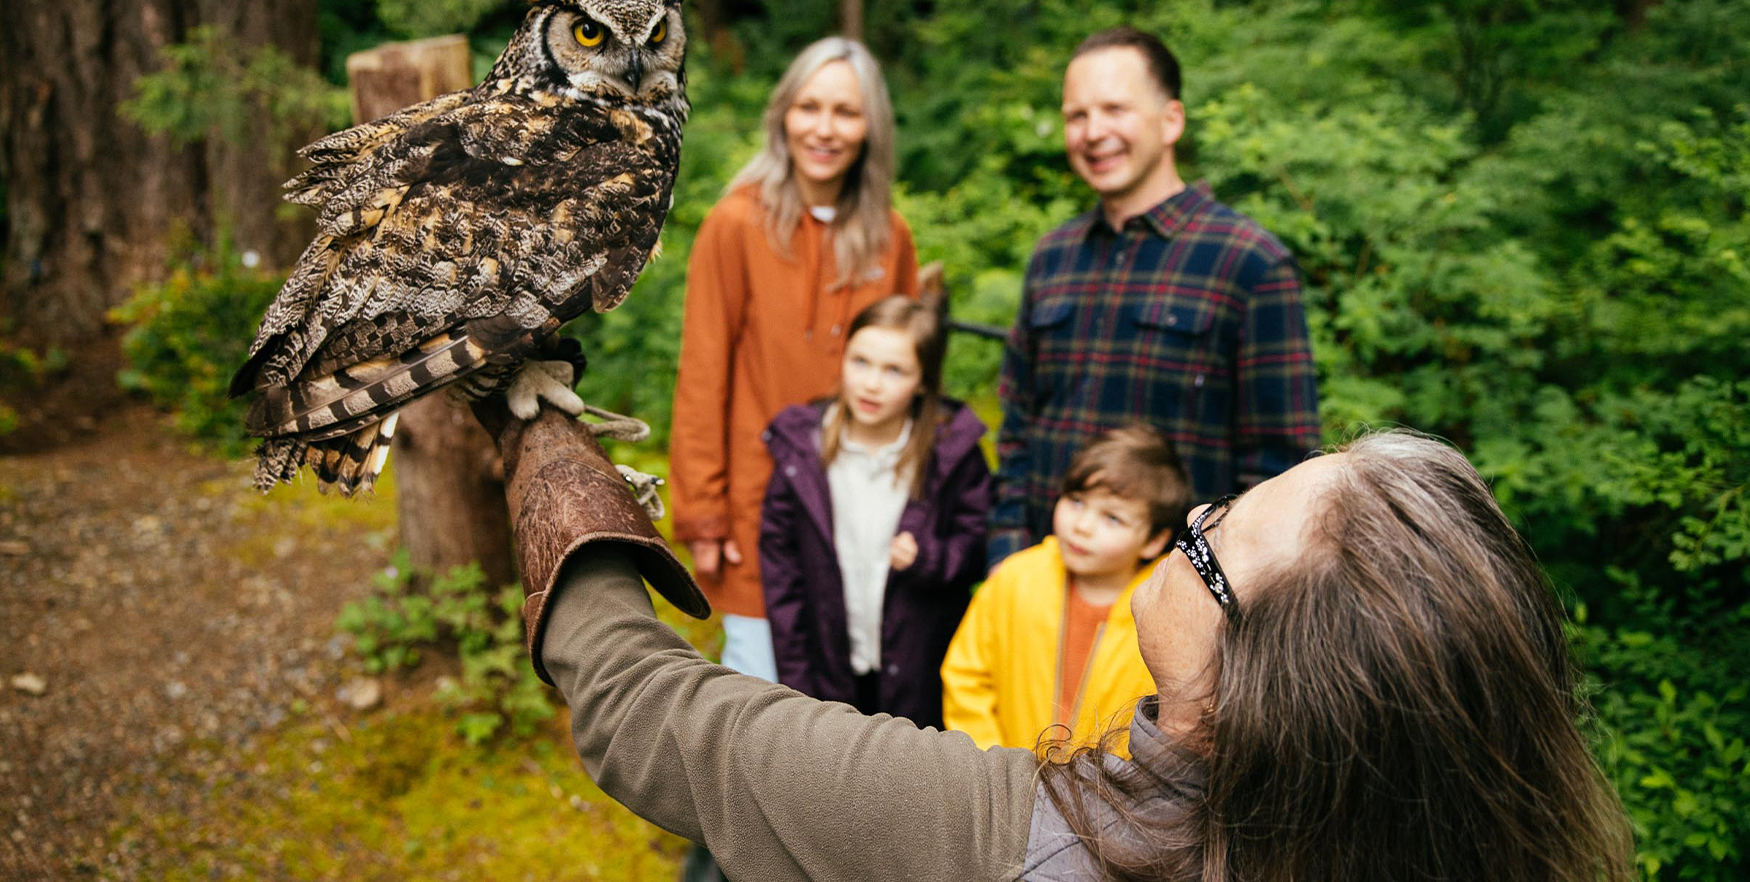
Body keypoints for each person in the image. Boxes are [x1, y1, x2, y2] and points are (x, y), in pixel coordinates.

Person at [490, 407, 1633, 882]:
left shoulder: (1012, 838)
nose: (1193, 517)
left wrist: (540, 441)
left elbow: (651, 714)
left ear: (1257, 690)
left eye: (1217, 540)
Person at [990, 26, 1321, 566]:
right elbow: (1017, 430)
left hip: (1176, 609)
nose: (1093, 132)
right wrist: (1005, 563)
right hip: (1042, 600)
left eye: (1115, 109)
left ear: (1171, 120)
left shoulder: (1248, 262)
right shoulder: (1053, 257)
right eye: (1077, 115)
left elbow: (1279, 473)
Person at [669, 36, 920, 684]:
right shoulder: (737, 223)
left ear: (871, 128)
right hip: (761, 507)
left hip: (867, 512)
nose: (825, 129)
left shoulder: (889, 236)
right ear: (784, 114)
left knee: (851, 702)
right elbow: (703, 371)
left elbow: (911, 376)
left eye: (846, 112)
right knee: (761, 697)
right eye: (810, 107)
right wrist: (703, 509)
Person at [759, 290, 989, 728]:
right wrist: (796, 683)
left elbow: (977, 543)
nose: (871, 383)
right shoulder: (799, 452)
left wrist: (929, 558)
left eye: (895, 370)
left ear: (923, 381)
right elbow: (782, 576)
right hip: (828, 668)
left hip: (919, 671)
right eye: (860, 362)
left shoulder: (950, 454)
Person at [941, 425, 1188, 751]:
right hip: (1009, 786)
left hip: (1112, 796)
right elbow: (966, 677)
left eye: (1112, 518)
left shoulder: (1168, 612)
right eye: (1076, 501)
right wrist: (992, 767)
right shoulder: (1015, 579)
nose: (1082, 526)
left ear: (1154, 540)